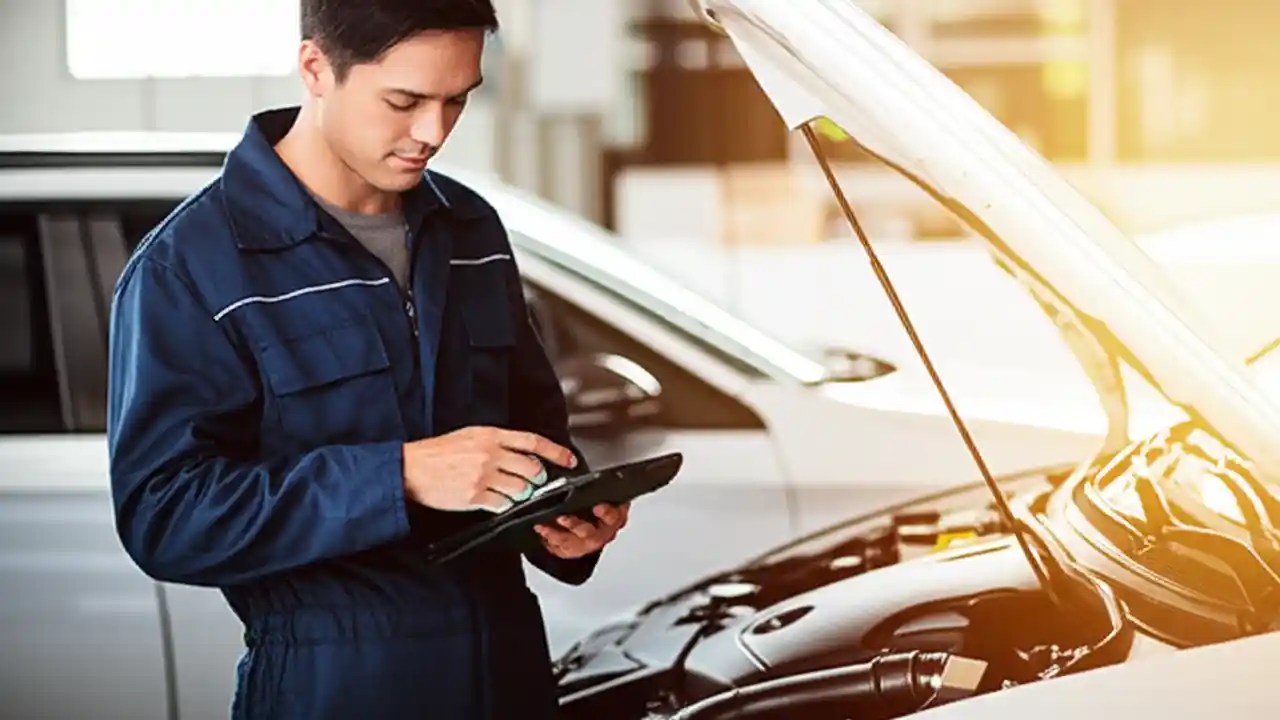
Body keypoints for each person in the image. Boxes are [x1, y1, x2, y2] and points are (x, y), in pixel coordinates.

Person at [105, 1, 629, 717]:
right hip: (335, 681)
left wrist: (561, 524)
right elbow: (166, 517)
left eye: (457, 101)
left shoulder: (470, 229)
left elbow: (531, 432)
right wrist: (399, 476)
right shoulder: (194, 267)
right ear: (316, 67)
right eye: (404, 101)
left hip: (507, 671)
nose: (433, 133)